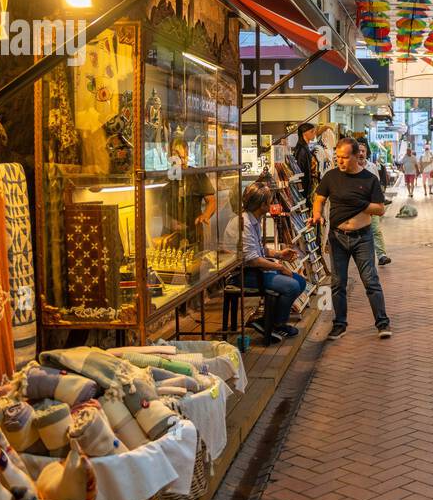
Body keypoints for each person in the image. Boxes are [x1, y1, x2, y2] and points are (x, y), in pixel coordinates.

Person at [312, 137, 391, 339]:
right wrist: (317, 215)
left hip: (362, 238)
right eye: (338, 157)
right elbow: (319, 198)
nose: (340, 161)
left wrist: (359, 204)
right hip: (337, 237)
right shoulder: (330, 177)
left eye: (345, 157)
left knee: (370, 280)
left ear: (357, 156)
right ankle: (339, 324)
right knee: (338, 283)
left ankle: (382, 323)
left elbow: (380, 210)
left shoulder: (369, 179)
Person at [225, 183, 306, 345]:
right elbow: (252, 259)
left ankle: (268, 321)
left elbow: (259, 250)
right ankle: (276, 324)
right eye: (269, 201)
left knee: (300, 281)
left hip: (255, 271)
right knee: (292, 286)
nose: (272, 204)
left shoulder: (252, 219)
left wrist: (279, 255)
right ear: (261, 205)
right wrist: (280, 267)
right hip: (242, 275)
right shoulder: (244, 223)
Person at [166, 137, 216, 247]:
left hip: (194, 231)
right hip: (171, 233)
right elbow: (157, 207)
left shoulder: (198, 175)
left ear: (187, 154)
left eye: (181, 156)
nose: (179, 160)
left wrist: (205, 216)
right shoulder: (166, 178)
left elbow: (212, 201)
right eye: (175, 156)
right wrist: (169, 221)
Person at [357, 140, 391, 266]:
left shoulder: (372, 167)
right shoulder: (351, 167)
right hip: (357, 207)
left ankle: (382, 255)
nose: (361, 153)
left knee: (376, 229)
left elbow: (377, 185)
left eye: (363, 151)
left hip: (372, 204)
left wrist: (380, 203)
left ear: (366, 153)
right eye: (359, 151)